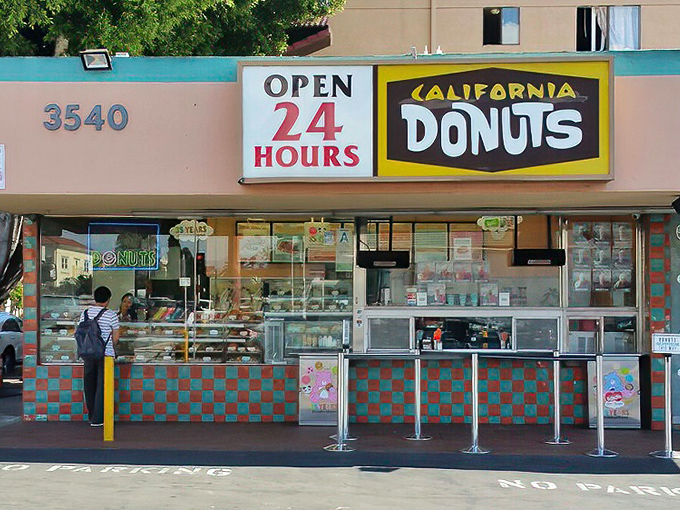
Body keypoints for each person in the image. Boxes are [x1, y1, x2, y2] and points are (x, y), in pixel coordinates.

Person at [79, 286, 119, 427]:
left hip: (88, 354)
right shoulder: (111, 315)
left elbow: (80, 334)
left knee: (89, 385)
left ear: (95, 298)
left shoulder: (85, 313)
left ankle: (91, 416)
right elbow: (115, 337)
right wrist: (111, 348)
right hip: (105, 355)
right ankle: (98, 418)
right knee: (102, 386)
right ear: (108, 300)